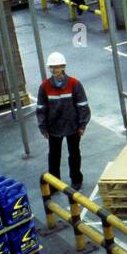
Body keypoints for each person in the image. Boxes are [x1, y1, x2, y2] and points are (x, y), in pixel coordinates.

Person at [36, 52, 90, 194]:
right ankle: (54, 183)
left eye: (57, 67)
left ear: (63, 67)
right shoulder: (45, 87)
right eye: (52, 67)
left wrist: (82, 125)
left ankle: (76, 180)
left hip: (72, 127)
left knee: (74, 153)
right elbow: (41, 109)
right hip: (54, 128)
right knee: (54, 156)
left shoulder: (74, 84)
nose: (54, 70)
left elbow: (82, 105)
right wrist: (43, 128)